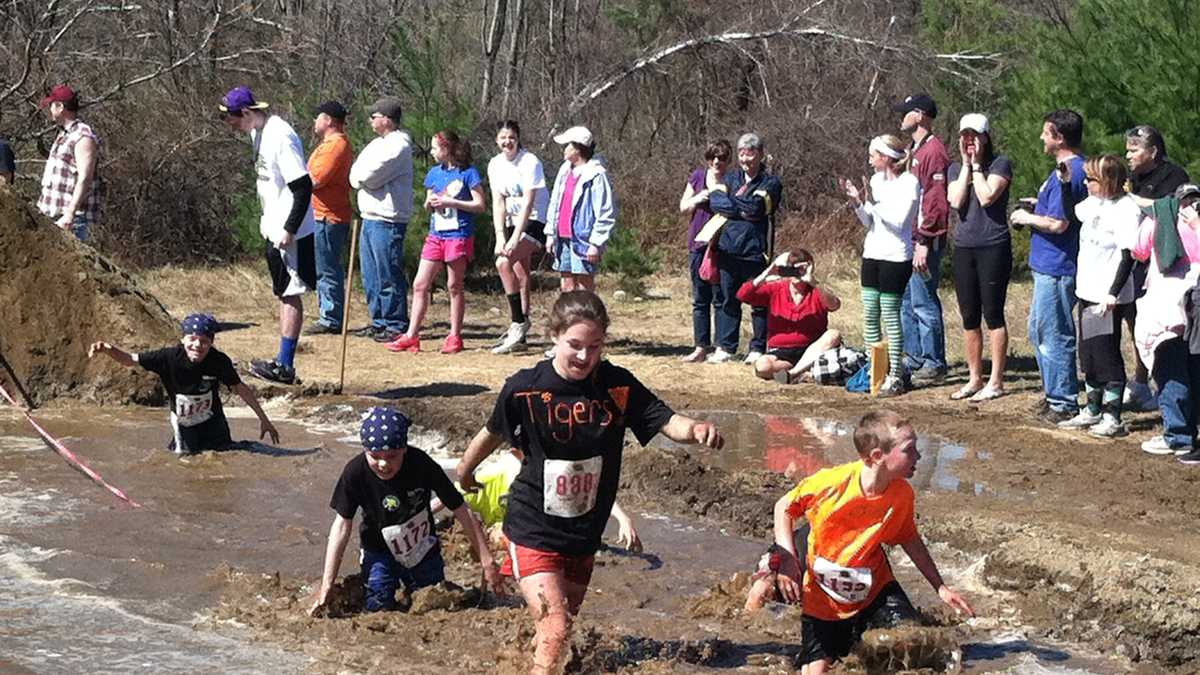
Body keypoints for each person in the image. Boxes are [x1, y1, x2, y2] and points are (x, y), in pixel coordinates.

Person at [455, 290, 723, 675]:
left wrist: (695, 429)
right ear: (554, 336)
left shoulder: (617, 386)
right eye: (575, 346)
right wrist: (465, 473)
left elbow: (665, 420)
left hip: (584, 532)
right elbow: (491, 432)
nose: (584, 357)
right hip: (533, 527)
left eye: (594, 347)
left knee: (560, 631)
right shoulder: (525, 387)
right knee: (556, 627)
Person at [772, 410, 974, 673]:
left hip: (876, 591)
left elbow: (910, 539)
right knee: (815, 671)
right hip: (824, 597)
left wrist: (941, 587)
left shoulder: (901, 493)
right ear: (878, 456)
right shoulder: (830, 484)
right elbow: (783, 507)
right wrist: (787, 558)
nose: (919, 456)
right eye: (909, 450)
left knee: (910, 644)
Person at [309, 406, 500, 615]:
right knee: (378, 607)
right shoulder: (355, 472)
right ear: (364, 450)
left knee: (434, 605)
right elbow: (341, 526)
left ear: (404, 449)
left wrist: (487, 559)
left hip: (421, 547)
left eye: (392, 456)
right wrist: (327, 583)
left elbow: (461, 509)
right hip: (378, 548)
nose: (383, 464)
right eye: (375, 456)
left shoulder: (422, 464)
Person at [219, 86, 317, 385]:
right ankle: (281, 361)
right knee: (282, 291)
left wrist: (289, 229)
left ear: (247, 113)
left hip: (291, 230)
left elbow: (302, 187)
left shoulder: (280, 136)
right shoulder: (256, 133)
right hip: (273, 226)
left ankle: (285, 366)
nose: (231, 125)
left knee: (290, 292)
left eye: (233, 119)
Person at [87, 313, 280, 454]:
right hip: (184, 425)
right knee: (184, 460)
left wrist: (264, 419)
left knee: (224, 455)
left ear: (211, 342)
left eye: (204, 341)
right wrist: (107, 349)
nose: (197, 345)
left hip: (214, 422)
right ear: (183, 339)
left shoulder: (219, 361)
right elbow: (130, 359)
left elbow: (240, 389)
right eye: (192, 339)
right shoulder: (167, 357)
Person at [1012, 109, 1087, 424]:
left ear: (1059, 137)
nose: (1041, 138)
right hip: (1048, 265)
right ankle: (1053, 395)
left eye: (1046, 132)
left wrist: (1026, 218)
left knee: (1053, 333)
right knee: (1039, 330)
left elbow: (1059, 223)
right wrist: (1037, 203)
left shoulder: (1068, 172)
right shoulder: (1066, 171)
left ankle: (1063, 402)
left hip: (1058, 266)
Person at [1057, 156, 1139, 438]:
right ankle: (1092, 409)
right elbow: (1071, 214)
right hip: (1087, 290)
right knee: (1088, 353)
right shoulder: (1094, 203)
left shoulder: (1126, 208)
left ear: (1108, 181)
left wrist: (1113, 293)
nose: (1086, 184)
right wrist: (1066, 185)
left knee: (1107, 354)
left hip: (1108, 294)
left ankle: (1112, 416)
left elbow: (1129, 255)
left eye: (1091, 179)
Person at [432, 448, 643, 556]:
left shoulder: (549, 468)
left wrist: (622, 518)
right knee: (499, 536)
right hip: (510, 534)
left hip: (545, 532)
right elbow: (449, 496)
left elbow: (587, 490)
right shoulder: (495, 475)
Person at [386, 131, 484, 355]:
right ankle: (411, 335)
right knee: (420, 284)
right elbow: (427, 203)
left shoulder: (468, 173)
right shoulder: (433, 173)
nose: (431, 152)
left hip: (458, 235)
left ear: (447, 148)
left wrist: (453, 201)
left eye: (435, 148)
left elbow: (480, 205)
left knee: (454, 286)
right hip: (436, 235)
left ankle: (454, 335)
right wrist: (430, 203)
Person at [843, 134, 920, 397]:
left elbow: (899, 222)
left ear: (886, 157)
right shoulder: (875, 181)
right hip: (872, 253)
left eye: (873, 154)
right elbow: (869, 222)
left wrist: (873, 203)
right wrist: (857, 202)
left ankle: (896, 375)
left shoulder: (909, 183)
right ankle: (873, 370)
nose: (869, 159)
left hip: (896, 257)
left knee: (890, 314)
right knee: (870, 313)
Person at [1122, 125, 1191, 412]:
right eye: (1127, 149)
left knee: (1158, 328)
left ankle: (1159, 385)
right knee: (1133, 321)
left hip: (1162, 266)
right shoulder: (1131, 178)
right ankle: (1139, 380)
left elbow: (1173, 210)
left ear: (1153, 151)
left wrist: (1135, 201)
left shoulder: (1174, 176)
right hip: (1132, 258)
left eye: (1134, 149)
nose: (1128, 155)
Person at [1131, 184, 1200, 462]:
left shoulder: (1159, 220)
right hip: (1191, 301)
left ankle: (1178, 435)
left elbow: (1138, 251)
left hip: (1168, 303)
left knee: (1169, 370)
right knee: (1192, 368)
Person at [946, 113, 1013, 403]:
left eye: (974, 135)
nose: (969, 140)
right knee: (969, 316)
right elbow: (956, 200)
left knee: (993, 315)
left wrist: (975, 167)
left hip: (993, 245)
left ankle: (996, 380)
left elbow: (986, 196)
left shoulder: (1000, 164)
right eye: (964, 135)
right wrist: (965, 166)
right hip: (965, 245)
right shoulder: (953, 169)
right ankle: (975, 378)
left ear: (985, 137)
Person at [708, 133, 783, 365]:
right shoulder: (731, 178)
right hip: (728, 249)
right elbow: (716, 202)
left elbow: (756, 207)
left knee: (758, 302)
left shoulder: (771, 182)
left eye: (750, 154)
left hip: (755, 251)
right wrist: (735, 206)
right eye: (741, 153)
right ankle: (726, 346)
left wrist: (732, 205)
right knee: (728, 299)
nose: (745, 159)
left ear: (760, 155)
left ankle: (758, 347)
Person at [893, 94, 951, 386]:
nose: (901, 117)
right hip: (909, 238)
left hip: (924, 241)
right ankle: (914, 356)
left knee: (923, 301)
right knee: (907, 301)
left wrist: (925, 241)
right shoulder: (913, 150)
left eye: (906, 112)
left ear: (919, 114)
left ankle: (933, 362)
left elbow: (936, 201)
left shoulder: (934, 152)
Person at [349, 97, 414, 343]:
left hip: (388, 219)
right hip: (369, 217)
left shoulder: (398, 146)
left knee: (388, 272)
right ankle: (379, 321)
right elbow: (356, 172)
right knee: (371, 275)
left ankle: (395, 323)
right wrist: (359, 179)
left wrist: (361, 180)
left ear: (387, 119)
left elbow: (372, 176)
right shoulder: (377, 144)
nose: (370, 120)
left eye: (374, 116)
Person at [488, 120, 551, 354]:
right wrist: (500, 236)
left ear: (518, 138)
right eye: (503, 137)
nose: (507, 142)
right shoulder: (495, 164)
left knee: (503, 262)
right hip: (512, 222)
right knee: (520, 274)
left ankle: (517, 322)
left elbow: (528, 202)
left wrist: (515, 238)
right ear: (497, 140)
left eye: (511, 137)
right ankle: (521, 334)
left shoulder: (530, 162)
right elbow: (498, 202)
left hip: (535, 221)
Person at [736, 249, 842, 384]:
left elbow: (834, 305)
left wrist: (813, 282)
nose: (795, 273)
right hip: (782, 353)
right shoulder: (776, 289)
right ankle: (803, 371)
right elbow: (742, 295)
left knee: (834, 334)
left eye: (800, 268)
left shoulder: (816, 290)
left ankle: (793, 374)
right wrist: (765, 275)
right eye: (791, 269)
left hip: (813, 349)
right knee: (762, 366)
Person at [544, 126, 616, 292]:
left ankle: (586, 318)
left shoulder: (597, 174)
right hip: (562, 238)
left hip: (583, 239)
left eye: (567, 145)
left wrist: (596, 243)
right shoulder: (565, 170)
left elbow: (605, 212)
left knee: (584, 286)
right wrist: (550, 234)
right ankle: (569, 318)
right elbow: (555, 202)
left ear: (577, 148)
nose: (564, 149)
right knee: (566, 284)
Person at [678, 139, 732, 363]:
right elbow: (683, 207)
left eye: (722, 158)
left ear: (728, 161)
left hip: (722, 245)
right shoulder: (698, 177)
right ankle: (700, 347)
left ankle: (721, 347)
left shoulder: (732, 181)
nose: (717, 162)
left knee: (721, 297)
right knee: (700, 298)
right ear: (708, 159)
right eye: (713, 157)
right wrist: (698, 198)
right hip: (698, 244)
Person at [304, 100, 354, 336]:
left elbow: (316, 179)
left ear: (329, 121)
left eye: (318, 117)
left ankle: (331, 318)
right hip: (322, 215)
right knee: (323, 267)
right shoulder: (328, 145)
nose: (315, 121)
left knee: (328, 268)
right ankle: (328, 313)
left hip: (329, 216)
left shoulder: (336, 146)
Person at [37, 84, 101, 242]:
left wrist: (70, 214)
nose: (49, 109)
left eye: (51, 105)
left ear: (60, 107)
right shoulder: (64, 135)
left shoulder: (82, 136)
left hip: (70, 221)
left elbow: (85, 178)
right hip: (52, 215)